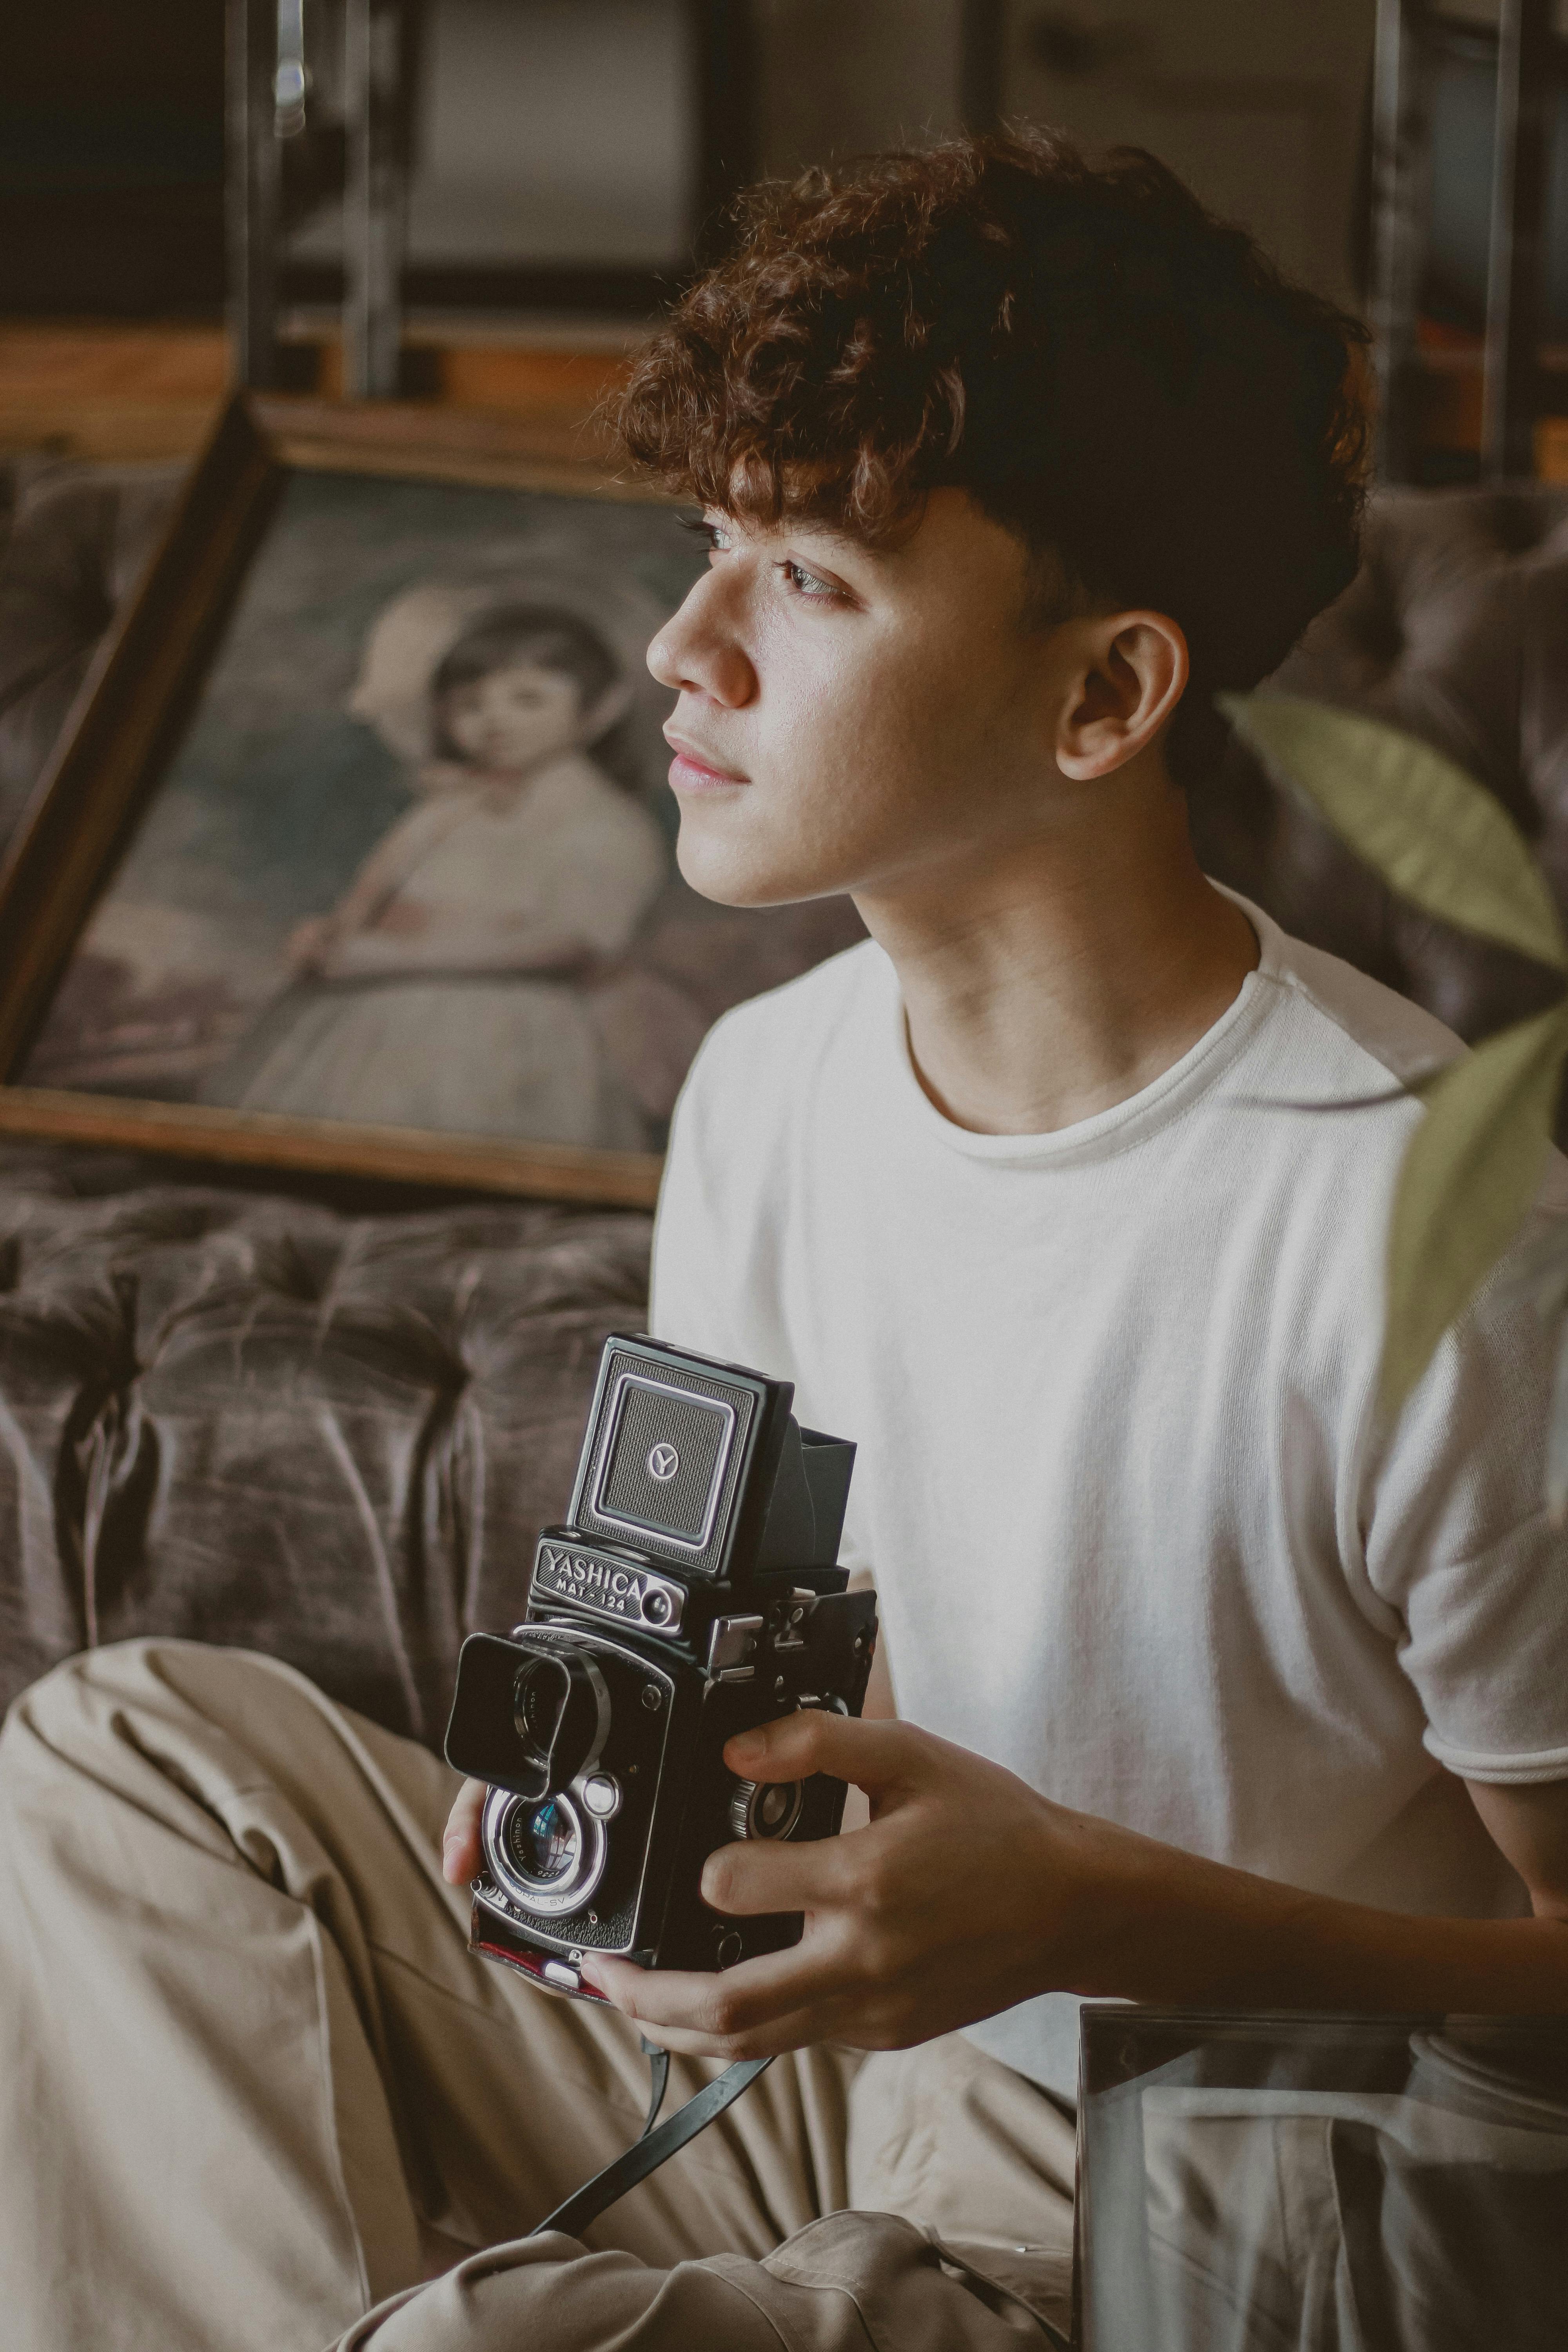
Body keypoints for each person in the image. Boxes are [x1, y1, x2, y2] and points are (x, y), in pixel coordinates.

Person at [2, 129, 1565, 2352]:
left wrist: (1084, 1914)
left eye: (810, 578)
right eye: (711, 541)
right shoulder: (769, 1090)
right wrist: (622, 1807)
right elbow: (784, 1656)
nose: (679, 643)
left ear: (1106, 697)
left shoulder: (1430, 1224)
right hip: (853, 2061)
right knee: (117, 1759)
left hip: (1223, 2189)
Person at [209, 600, 668, 1147]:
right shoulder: (448, 810)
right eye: (470, 704)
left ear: (603, 707)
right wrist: (334, 936)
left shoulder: (606, 824)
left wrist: (389, 959)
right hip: (369, 1017)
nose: (493, 721)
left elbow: (580, 942)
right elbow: (371, 891)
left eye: (527, 699)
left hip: (511, 1028)